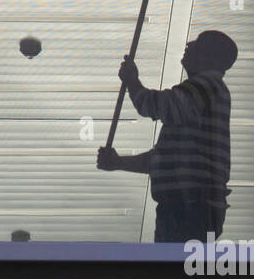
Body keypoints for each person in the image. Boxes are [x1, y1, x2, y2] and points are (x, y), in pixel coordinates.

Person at [97, 29, 236, 243]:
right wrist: (118, 162)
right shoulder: (206, 95)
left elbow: (157, 105)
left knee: (171, 270)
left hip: (188, 208)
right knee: (173, 271)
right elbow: (164, 160)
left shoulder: (207, 87)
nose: (189, 44)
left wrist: (133, 81)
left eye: (197, 42)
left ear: (210, 56)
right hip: (192, 208)